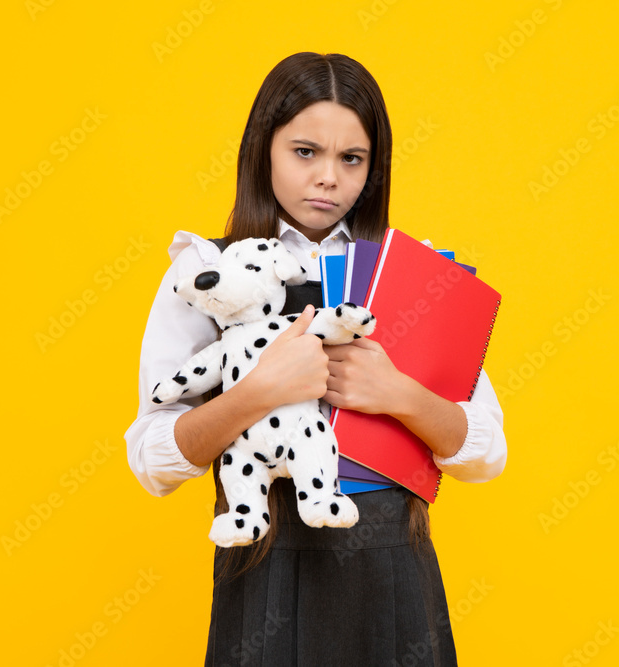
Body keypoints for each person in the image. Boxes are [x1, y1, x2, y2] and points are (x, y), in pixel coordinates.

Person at [125, 52, 507, 665]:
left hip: (393, 579)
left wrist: (398, 393)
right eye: (305, 152)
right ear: (263, 151)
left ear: (372, 168)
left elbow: (485, 454)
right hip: (262, 570)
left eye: (351, 159)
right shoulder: (209, 272)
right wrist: (256, 392)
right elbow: (151, 460)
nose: (328, 177)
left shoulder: (407, 273)